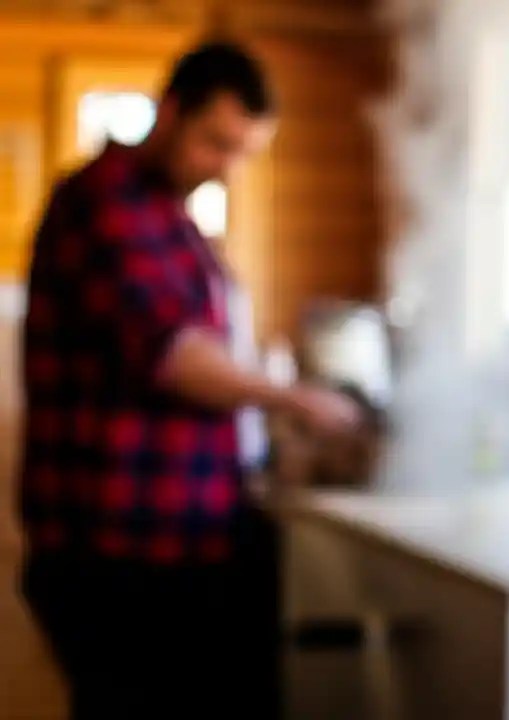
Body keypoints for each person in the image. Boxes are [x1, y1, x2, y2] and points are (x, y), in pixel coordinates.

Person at [18, 41, 359, 719]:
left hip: (183, 537)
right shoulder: (104, 202)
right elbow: (171, 354)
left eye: (242, 154)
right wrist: (292, 398)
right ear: (170, 112)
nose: (226, 169)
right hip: (118, 550)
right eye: (216, 143)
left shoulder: (173, 216)